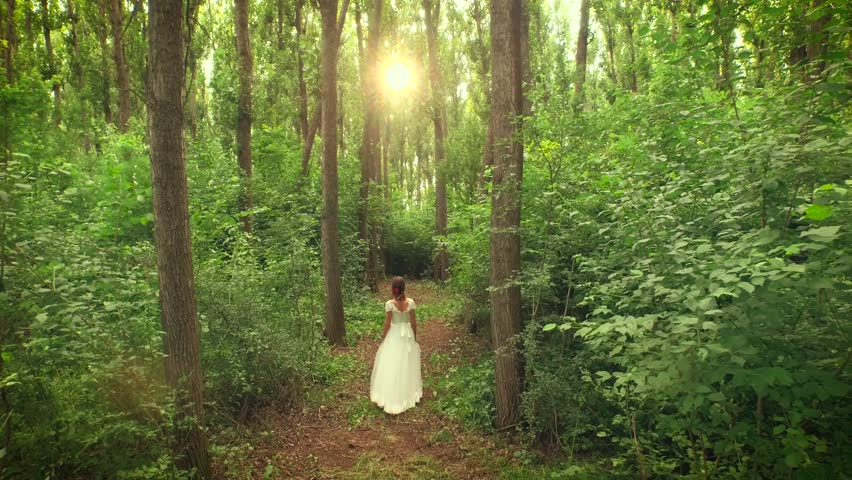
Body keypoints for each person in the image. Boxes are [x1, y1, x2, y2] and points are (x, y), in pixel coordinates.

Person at [370, 276, 422, 414]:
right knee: (407, 362)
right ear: (404, 288)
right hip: (407, 334)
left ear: (393, 288)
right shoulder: (410, 302)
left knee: (392, 363)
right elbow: (413, 322)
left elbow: (387, 324)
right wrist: (414, 337)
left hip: (394, 334)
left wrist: (384, 337)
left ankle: (390, 393)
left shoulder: (389, 304)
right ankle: (407, 393)